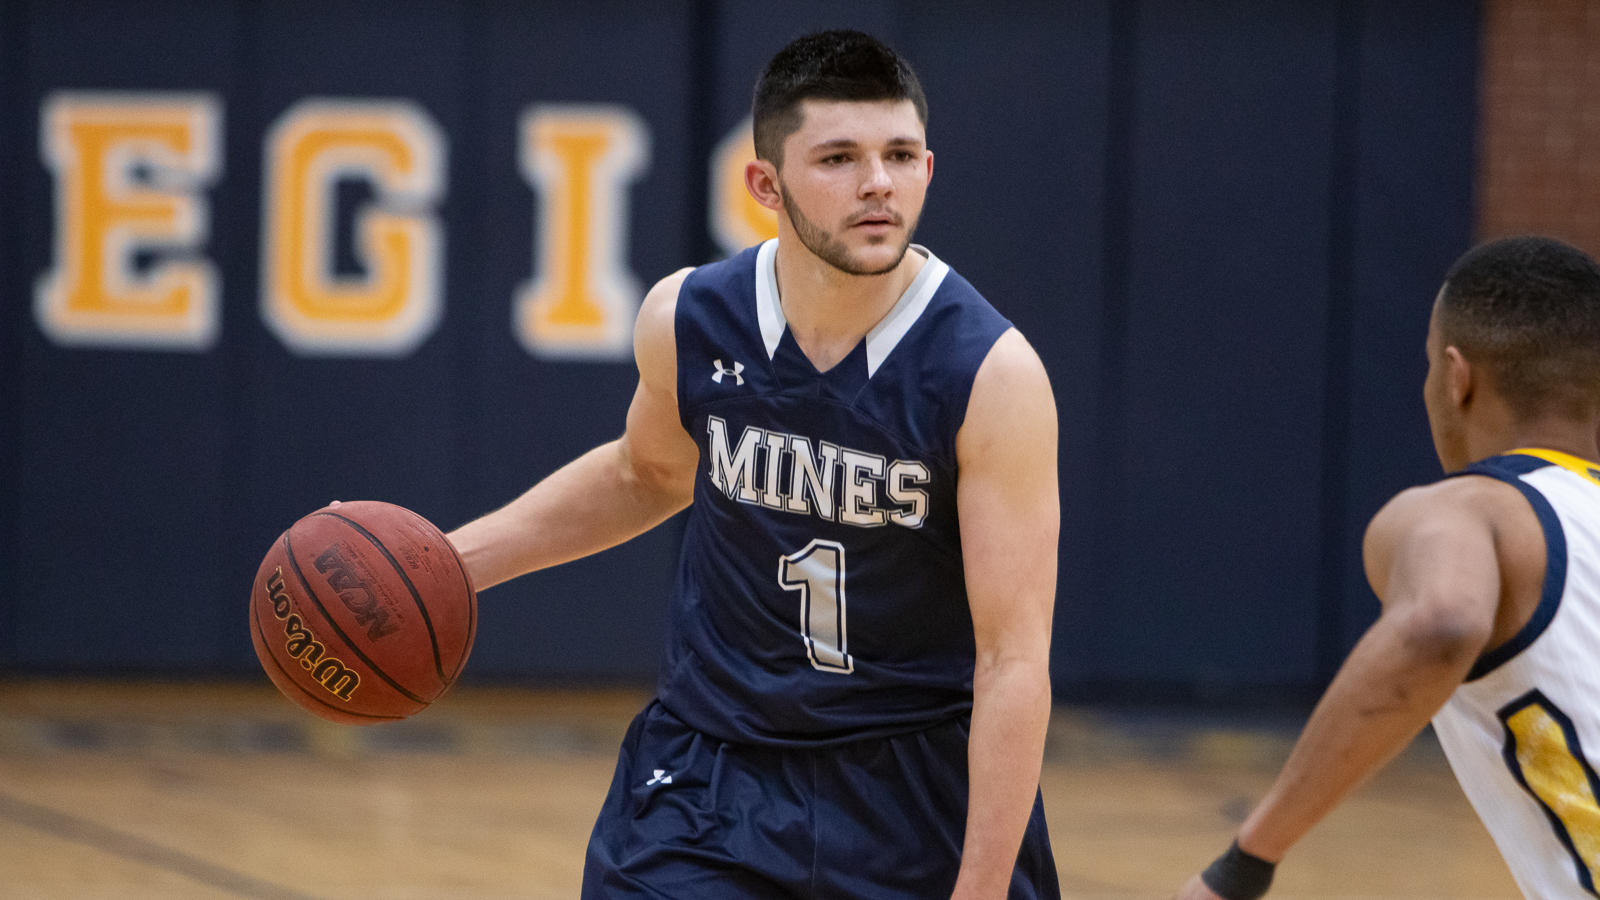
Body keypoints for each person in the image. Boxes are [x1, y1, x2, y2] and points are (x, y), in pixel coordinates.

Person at [448, 30, 1061, 900]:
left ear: (929, 167)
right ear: (764, 183)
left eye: (899, 155)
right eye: (840, 158)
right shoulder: (689, 317)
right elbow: (644, 475)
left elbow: (1012, 661)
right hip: (708, 771)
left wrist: (983, 887)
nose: (877, 182)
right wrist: (446, 566)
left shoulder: (990, 375)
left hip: (912, 786)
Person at [1175, 235, 1600, 900]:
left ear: (1457, 378)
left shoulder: (1474, 510)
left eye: (1429, 365)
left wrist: (1246, 862)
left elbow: (1442, 620)